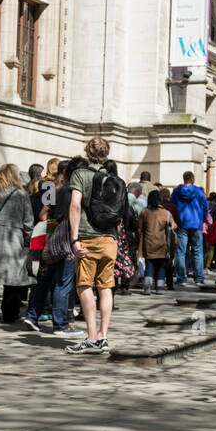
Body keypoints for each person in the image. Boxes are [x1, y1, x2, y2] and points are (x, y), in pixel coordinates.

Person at [67, 136, 127, 355]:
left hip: (87, 238)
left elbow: (74, 206)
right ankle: (103, 336)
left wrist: (74, 239)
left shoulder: (80, 175)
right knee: (105, 287)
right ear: (106, 153)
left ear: (87, 152)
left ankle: (91, 337)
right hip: (110, 239)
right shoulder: (113, 178)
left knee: (84, 285)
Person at [23, 157, 82, 336]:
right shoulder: (75, 192)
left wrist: (52, 225)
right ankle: (60, 324)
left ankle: (32, 316)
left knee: (45, 279)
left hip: (50, 240)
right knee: (63, 283)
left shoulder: (54, 191)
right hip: (66, 240)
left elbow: (43, 214)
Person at [0, 164, 34, 324]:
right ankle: (10, 314)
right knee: (12, 279)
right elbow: (28, 221)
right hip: (14, 238)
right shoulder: (21, 194)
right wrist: (28, 240)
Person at [105, 160, 138, 295]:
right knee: (120, 258)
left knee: (108, 264)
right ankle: (120, 288)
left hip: (102, 226)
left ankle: (110, 291)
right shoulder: (119, 183)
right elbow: (124, 208)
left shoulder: (100, 181)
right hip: (118, 228)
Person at [170, 170, 209, 287]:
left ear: (184, 179)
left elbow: (172, 207)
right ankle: (199, 278)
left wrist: (176, 220)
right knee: (197, 251)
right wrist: (202, 219)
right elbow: (205, 207)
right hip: (196, 224)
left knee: (181, 252)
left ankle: (181, 278)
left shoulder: (177, 191)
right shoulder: (198, 191)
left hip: (182, 224)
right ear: (192, 179)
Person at [137, 188, 173, 294]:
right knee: (161, 265)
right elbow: (174, 226)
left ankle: (147, 288)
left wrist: (139, 238)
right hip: (162, 243)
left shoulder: (144, 212)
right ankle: (159, 287)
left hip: (148, 242)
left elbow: (139, 228)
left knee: (149, 264)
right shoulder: (166, 213)